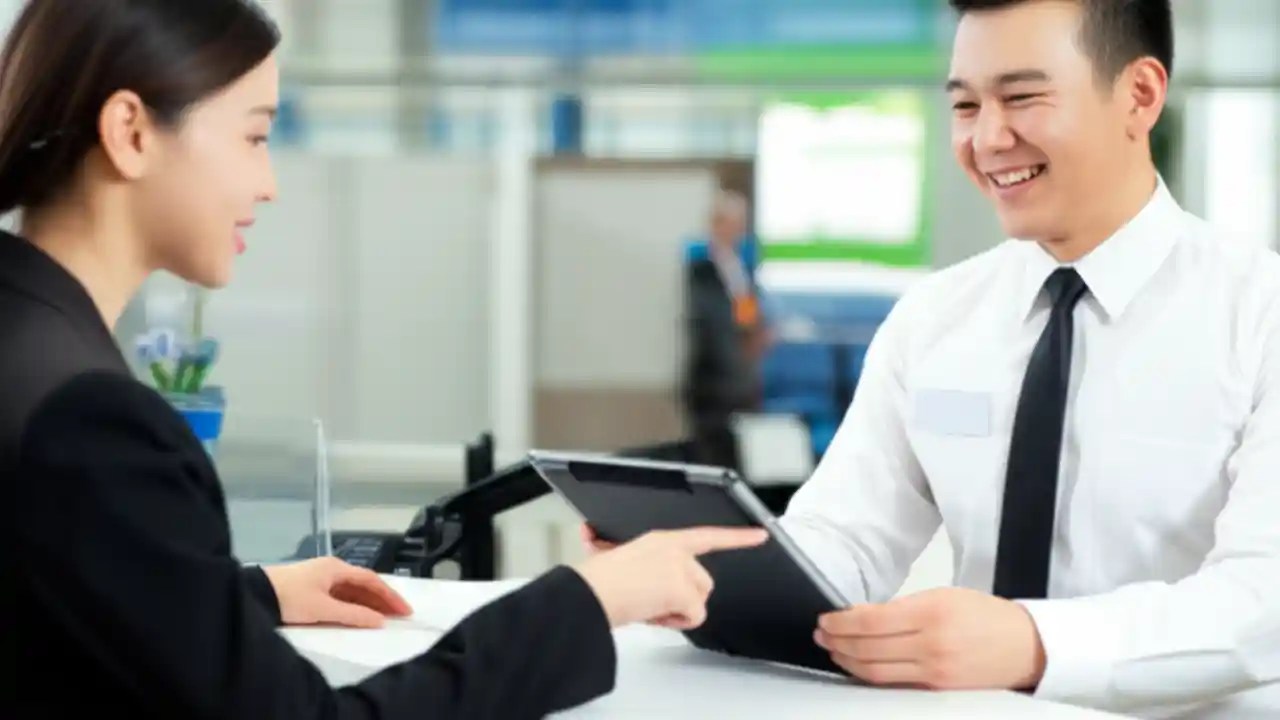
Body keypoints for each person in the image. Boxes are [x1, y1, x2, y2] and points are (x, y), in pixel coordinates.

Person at [0, 1, 767, 717]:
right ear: (132, 131)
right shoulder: (93, 420)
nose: (267, 185)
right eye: (255, 136)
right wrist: (588, 605)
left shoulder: (27, 336)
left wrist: (255, 595)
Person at [587, 0, 1280, 716]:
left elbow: (1265, 601)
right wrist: (704, 576)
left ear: (1139, 94)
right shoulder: (935, 319)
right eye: (965, 105)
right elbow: (846, 538)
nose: (987, 138)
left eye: (1021, 97)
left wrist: (1035, 642)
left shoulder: (1262, 317)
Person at [681, 190, 771, 474]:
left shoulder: (742, 268)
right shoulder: (701, 271)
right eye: (734, 222)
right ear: (718, 223)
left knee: (741, 467)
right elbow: (712, 326)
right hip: (714, 386)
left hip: (744, 384)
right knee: (712, 465)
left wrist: (759, 333)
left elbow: (749, 313)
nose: (740, 229)